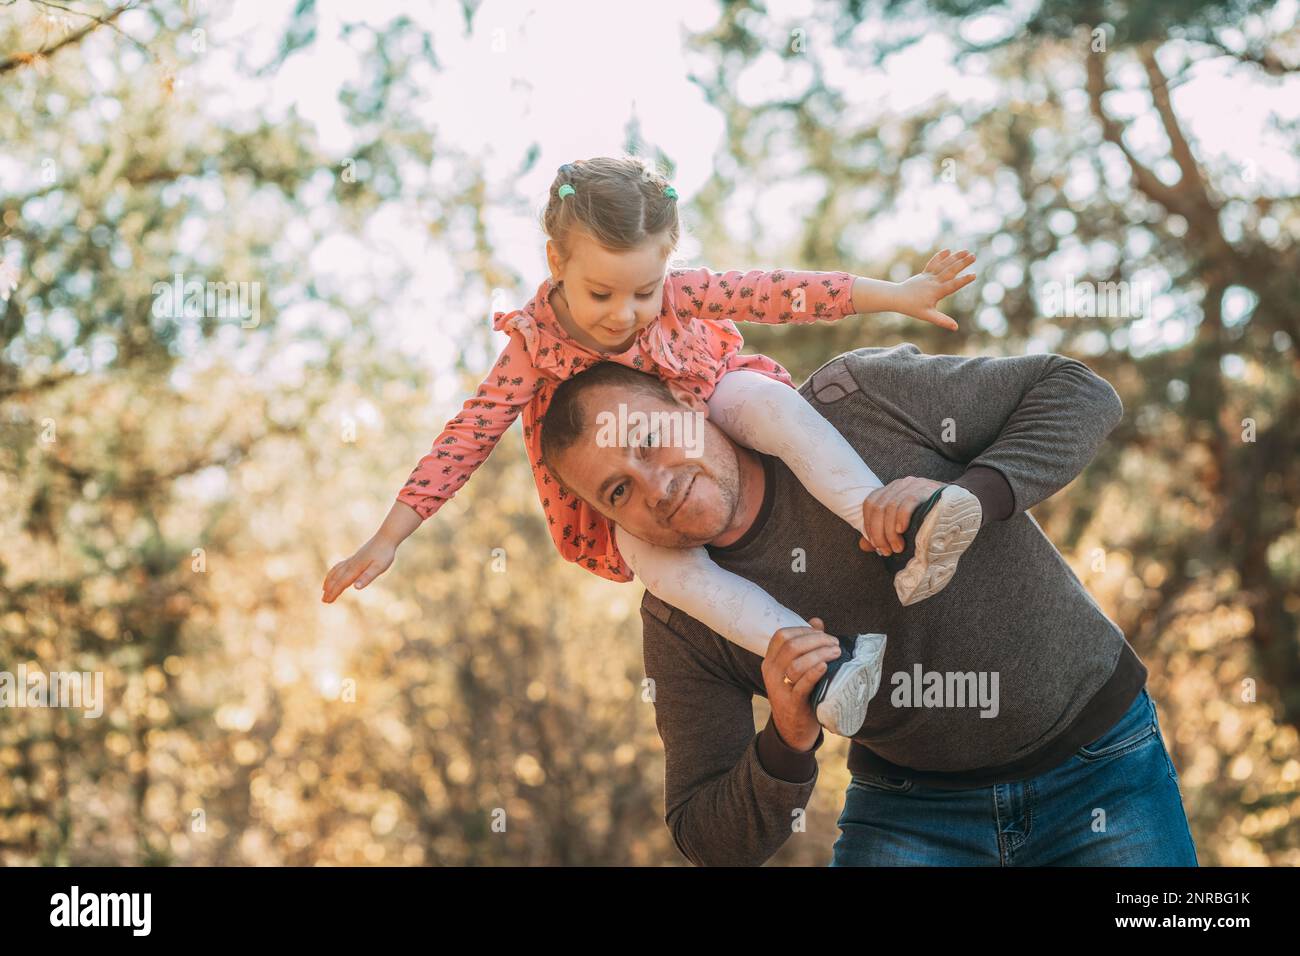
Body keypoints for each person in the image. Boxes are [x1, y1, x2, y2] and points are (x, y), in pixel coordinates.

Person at [321, 155, 985, 738]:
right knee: (652, 558)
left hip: (711, 408)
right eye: (600, 293)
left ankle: (903, 524)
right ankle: (824, 666)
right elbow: (470, 433)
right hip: (634, 472)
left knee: (764, 403)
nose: (623, 313)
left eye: (643, 291)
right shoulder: (533, 345)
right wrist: (389, 537)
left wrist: (894, 295)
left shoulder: (680, 293)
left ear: (666, 260)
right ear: (557, 262)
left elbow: (779, 291)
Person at [538, 345, 1199, 867]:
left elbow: (1079, 392)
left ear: (688, 398)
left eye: (649, 441)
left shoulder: (857, 399)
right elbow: (707, 837)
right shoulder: (682, 623)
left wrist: (970, 496)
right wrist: (788, 739)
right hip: (913, 812)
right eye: (618, 491)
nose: (654, 488)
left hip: (1103, 761)